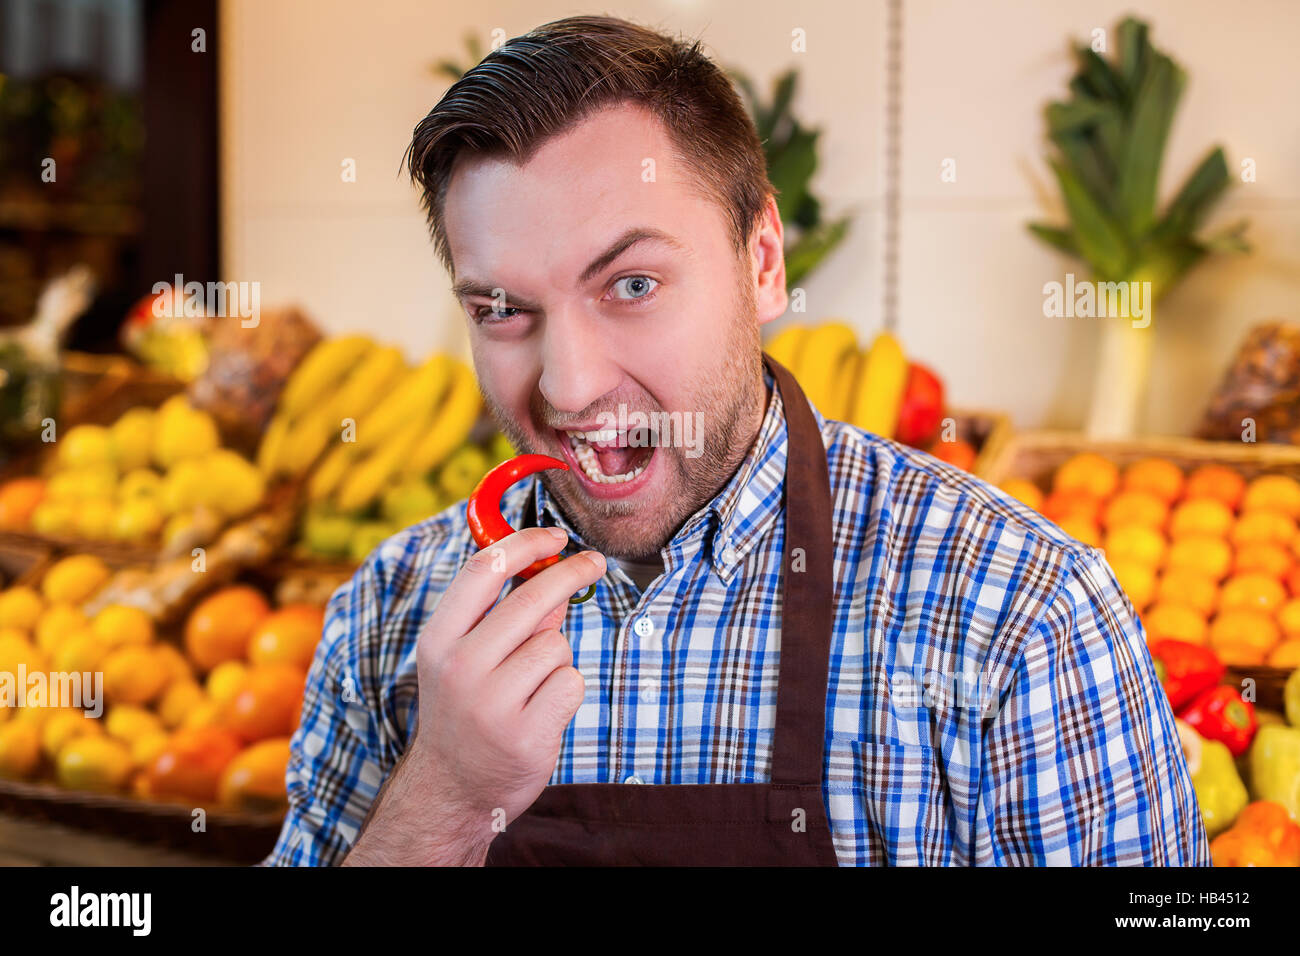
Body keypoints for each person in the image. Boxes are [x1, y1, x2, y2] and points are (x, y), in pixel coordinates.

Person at [263, 15, 1208, 866]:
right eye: (503, 309)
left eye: (632, 284)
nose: (569, 385)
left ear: (761, 262)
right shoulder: (387, 616)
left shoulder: (1020, 618)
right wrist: (444, 800)